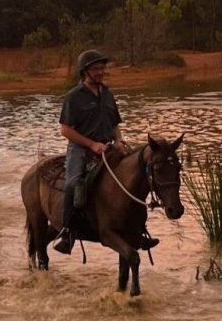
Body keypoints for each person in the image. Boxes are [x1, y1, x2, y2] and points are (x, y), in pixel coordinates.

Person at [52, 49, 158, 255]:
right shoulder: (74, 97)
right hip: (81, 149)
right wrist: (91, 145)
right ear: (85, 72)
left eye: (102, 68)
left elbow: (115, 123)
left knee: (134, 178)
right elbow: (65, 129)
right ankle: (67, 232)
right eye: (96, 69)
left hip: (108, 146)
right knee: (73, 183)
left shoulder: (107, 94)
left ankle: (139, 231)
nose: (101, 72)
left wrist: (118, 140)